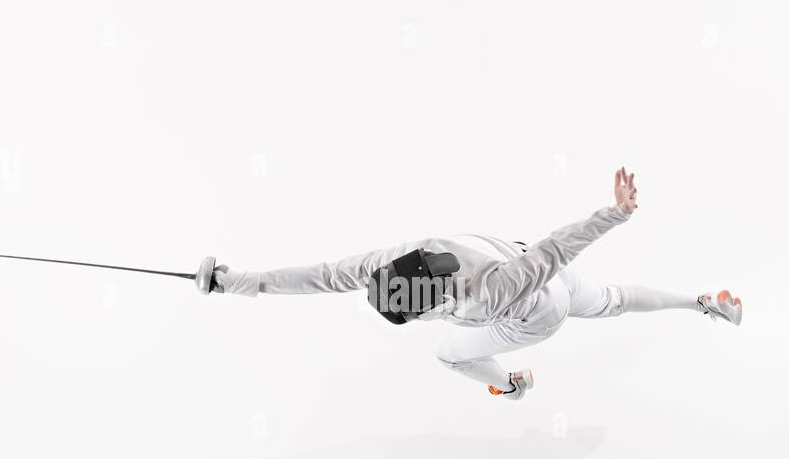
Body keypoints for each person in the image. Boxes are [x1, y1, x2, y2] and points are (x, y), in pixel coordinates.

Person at [197, 169, 741, 400]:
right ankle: (701, 303)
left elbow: (559, 247)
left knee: (450, 357)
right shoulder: (388, 265)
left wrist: (615, 214)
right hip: (542, 270)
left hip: (533, 311)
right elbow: (314, 278)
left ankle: (510, 385)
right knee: (610, 301)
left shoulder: (485, 292)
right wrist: (232, 282)